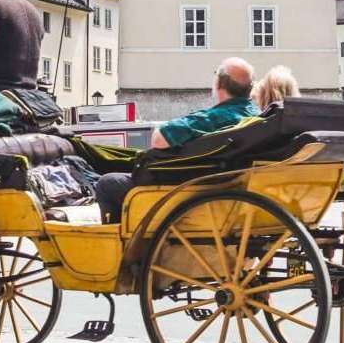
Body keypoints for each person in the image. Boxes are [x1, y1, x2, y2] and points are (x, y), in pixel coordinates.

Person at [94, 58, 258, 223]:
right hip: (232, 190)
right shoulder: (257, 116)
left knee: (107, 183)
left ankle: (122, 245)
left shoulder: (214, 118)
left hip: (192, 191)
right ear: (249, 88)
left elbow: (159, 139)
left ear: (220, 84)